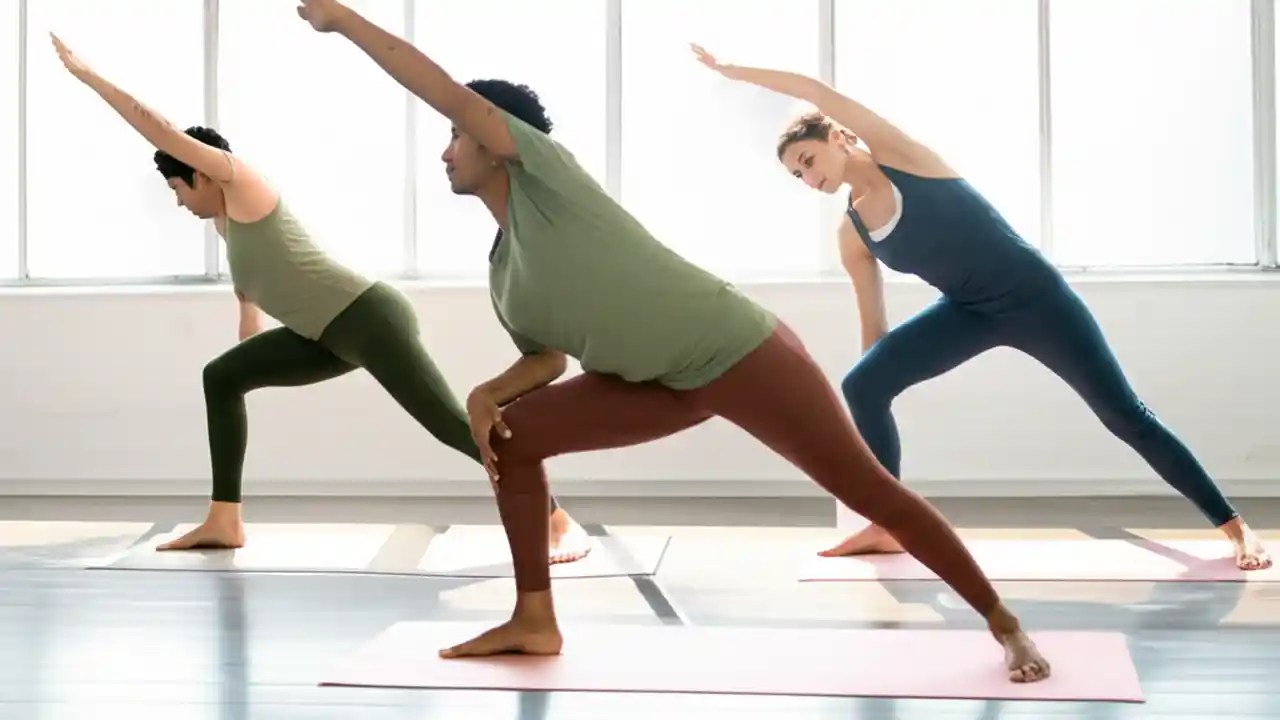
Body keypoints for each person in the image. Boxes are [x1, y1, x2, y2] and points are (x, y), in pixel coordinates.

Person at [295, 0, 1052, 683]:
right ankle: (535, 618)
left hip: (741, 351)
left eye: (457, 133)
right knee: (513, 435)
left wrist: (347, 23)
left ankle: (1004, 622)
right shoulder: (506, 270)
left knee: (864, 488)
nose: (447, 148)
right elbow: (548, 357)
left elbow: (444, 89)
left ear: (498, 141)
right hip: (657, 384)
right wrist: (490, 391)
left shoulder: (547, 177)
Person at [689, 45, 1272, 573]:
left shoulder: (905, 158)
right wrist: (883, 375)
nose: (807, 178)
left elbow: (815, 90)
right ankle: (891, 525)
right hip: (968, 311)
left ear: (838, 139)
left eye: (809, 160)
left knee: (1124, 415)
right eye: (797, 175)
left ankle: (1234, 527)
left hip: (1037, 299)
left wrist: (733, 73)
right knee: (864, 383)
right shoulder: (852, 232)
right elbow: (874, 324)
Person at [48, 32, 591, 565]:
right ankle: (224, 519)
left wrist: (91, 78)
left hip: (368, 318)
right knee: (222, 376)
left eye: (179, 188)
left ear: (202, 174)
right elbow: (253, 290)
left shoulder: (243, 182)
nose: (179, 202)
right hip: (326, 334)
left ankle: (556, 519)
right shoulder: (229, 226)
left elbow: (161, 130)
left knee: (452, 426)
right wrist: (248, 328)